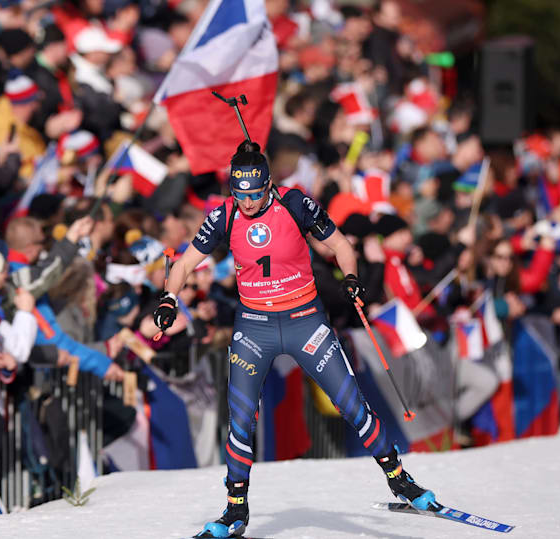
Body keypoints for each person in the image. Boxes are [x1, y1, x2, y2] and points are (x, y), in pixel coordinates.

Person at [152, 140, 437, 538]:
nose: (247, 202)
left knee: (351, 405)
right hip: (255, 327)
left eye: (255, 194)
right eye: (240, 194)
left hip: (305, 321)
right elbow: (184, 264)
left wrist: (351, 278)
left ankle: (399, 479)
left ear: (268, 185)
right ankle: (235, 509)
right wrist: (169, 299)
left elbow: (340, 245)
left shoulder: (295, 203)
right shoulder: (224, 215)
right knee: (240, 418)